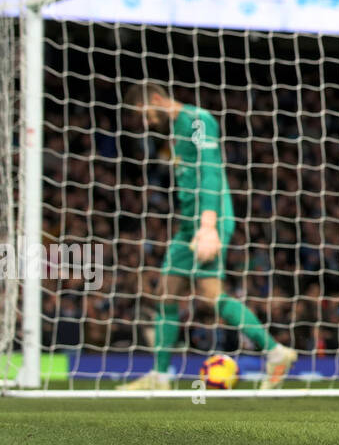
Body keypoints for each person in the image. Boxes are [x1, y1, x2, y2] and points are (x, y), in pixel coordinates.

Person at [118, 81, 297, 390]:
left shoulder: (198, 122)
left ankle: (276, 352)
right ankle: (160, 377)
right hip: (189, 225)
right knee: (167, 292)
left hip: (208, 222)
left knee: (210, 294)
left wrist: (208, 226)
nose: (147, 123)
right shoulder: (178, 129)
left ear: (158, 99)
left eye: (146, 115)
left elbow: (211, 171)